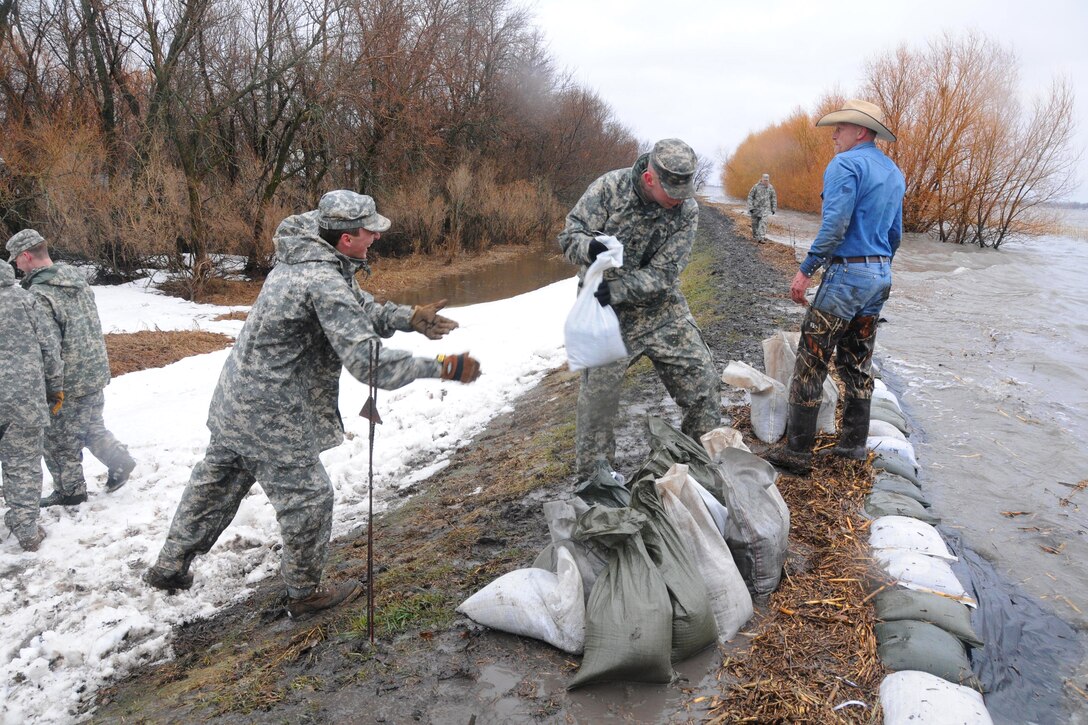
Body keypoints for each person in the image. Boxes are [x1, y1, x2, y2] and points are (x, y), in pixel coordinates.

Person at [144, 190, 480, 620]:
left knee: (212, 488)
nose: (375, 238)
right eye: (369, 232)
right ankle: (304, 594)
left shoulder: (306, 257)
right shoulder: (321, 279)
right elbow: (367, 361)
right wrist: (445, 367)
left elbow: (356, 307)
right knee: (310, 500)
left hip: (237, 403)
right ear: (345, 239)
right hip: (273, 417)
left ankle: (170, 568)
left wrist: (407, 316)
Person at [558, 138, 721, 480]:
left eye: (684, 192)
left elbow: (664, 274)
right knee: (598, 405)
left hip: (661, 310)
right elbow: (568, 237)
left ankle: (699, 473)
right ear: (650, 179)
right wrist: (589, 247)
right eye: (672, 192)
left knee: (703, 383)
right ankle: (596, 484)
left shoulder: (686, 209)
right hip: (606, 316)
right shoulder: (609, 189)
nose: (678, 201)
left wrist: (615, 289)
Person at [765, 99, 905, 475]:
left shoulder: (845, 164)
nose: (833, 135)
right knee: (858, 361)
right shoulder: (893, 171)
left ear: (861, 131)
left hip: (847, 275)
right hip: (879, 275)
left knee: (811, 359)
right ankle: (852, 446)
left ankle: (797, 453)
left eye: (840, 128)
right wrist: (878, 270)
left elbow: (836, 224)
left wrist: (806, 270)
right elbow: (895, 234)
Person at [6, 229, 136, 507]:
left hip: (68, 379)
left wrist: (51, 387)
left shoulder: (39, 294)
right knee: (90, 425)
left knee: (57, 441)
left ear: (27, 256)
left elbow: (48, 347)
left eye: (16, 258)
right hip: (94, 370)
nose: (15, 264)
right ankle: (120, 461)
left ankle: (70, 491)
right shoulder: (74, 279)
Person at [0, 258, 63, 551]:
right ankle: (26, 530)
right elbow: (49, 348)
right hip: (23, 398)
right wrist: (54, 388)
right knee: (23, 464)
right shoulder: (26, 300)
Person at [747, 173, 778, 242]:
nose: (766, 181)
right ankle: (755, 236)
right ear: (761, 179)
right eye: (764, 180)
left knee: (763, 222)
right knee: (755, 224)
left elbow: (773, 198)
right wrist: (750, 207)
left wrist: (773, 208)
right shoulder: (756, 186)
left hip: (765, 209)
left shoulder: (770, 187)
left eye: (767, 180)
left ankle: (761, 238)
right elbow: (750, 196)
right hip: (755, 208)